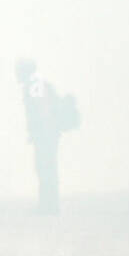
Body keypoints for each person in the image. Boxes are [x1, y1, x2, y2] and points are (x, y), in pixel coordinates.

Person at [15, 58, 80, 214]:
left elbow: (41, 109)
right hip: (47, 133)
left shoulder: (35, 85)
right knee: (47, 168)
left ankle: (48, 205)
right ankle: (49, 204)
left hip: (45, 134)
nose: (16, 74)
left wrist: (39, 130)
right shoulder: (37, 84)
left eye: (18, 70)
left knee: (45, 168)